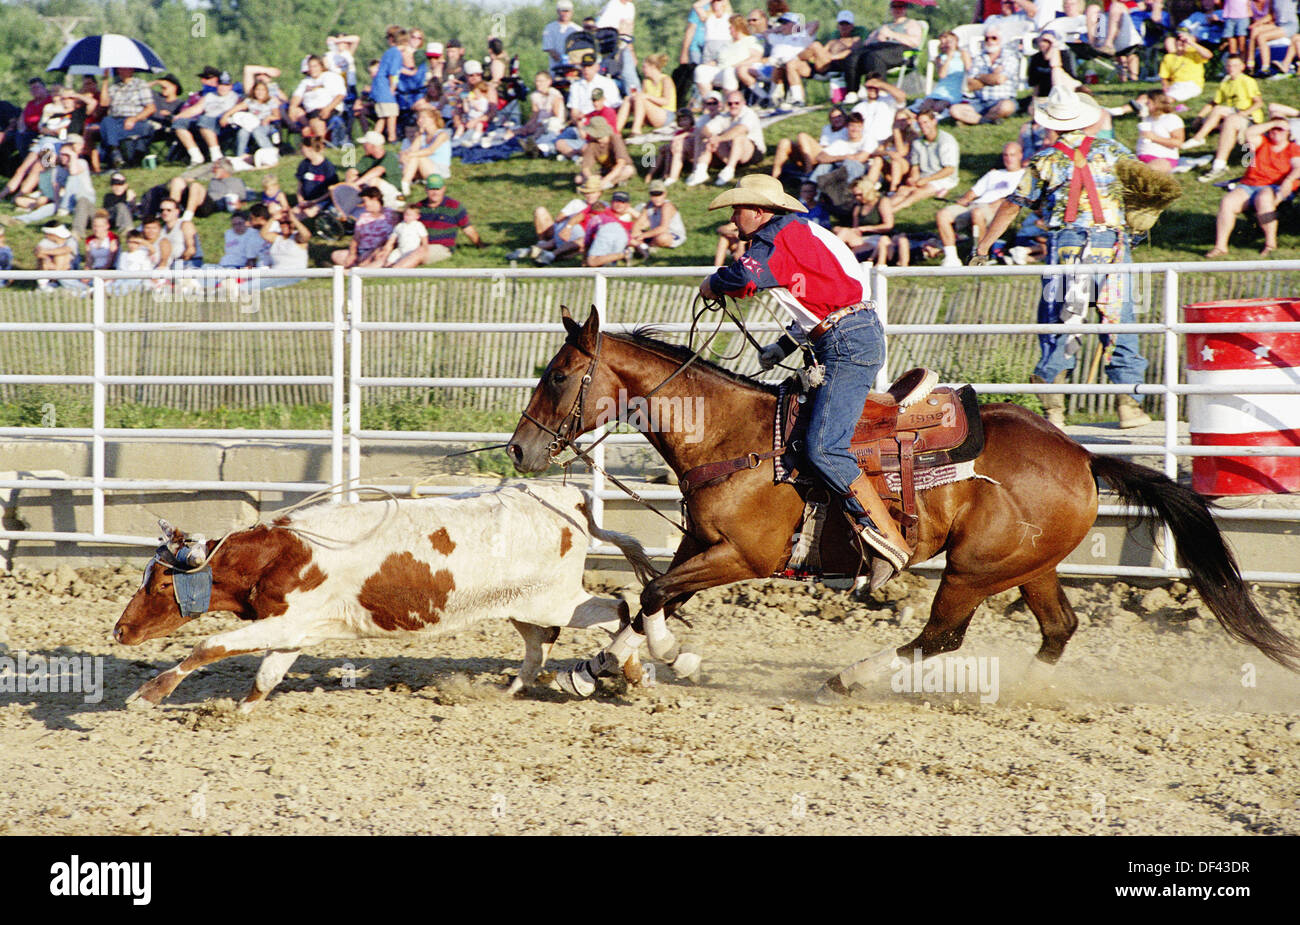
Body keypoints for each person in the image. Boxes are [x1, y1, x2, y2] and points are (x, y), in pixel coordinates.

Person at [698, 173, 911, 586]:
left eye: (737, 209)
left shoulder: (775, 239)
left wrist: (712, 283)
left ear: (758, 211)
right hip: (847, 335)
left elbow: (743, 279)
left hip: (844, 342)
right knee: (802, 435)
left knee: (824, 447)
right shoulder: (801, 233)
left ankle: (886, 540)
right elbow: (823, 297)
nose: (733, 217)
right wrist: (784, 345)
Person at [973, 87, 1151, 429]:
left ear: (1052, 124)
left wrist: (983, 246)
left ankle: (1053, 407)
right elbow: (1148, 187)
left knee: (1060, 319)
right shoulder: (1114, 151)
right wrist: (1139, 228)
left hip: (1066, 246)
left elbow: (1015, 204)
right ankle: (1129, 404)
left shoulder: (1045, 160)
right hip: (1112, 246)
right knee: (1120, 319)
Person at [1206, 118, 1300, 257]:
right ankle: (1220, 246)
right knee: (1228, 202)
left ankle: (1270, 244)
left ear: (1288, 133)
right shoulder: (1262, 142)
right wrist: (1274, 123)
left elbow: (1298, 167)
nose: (1275, 131)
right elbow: (1248, 133)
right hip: (1249, 185)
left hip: (1275, 186)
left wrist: (1289, 179)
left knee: (1264, 198)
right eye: (1273, 129)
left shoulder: (1292, 148)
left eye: (1280, 129)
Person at [936, 141, 1027, 266]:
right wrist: (965, 199)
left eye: (1012, 155)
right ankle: (951, 258)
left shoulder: (1024, 175)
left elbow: (1017, 199)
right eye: (1006, 155)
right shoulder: (994, 174)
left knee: (977, 213)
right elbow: (973, 192)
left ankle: (980, 256)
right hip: (976, 205)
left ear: (1020, 155)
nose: (1008, 158)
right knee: (943, 214)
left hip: (997, 209)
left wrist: (997, 203)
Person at [1183, 55, 1264, 180]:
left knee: (1221, 111)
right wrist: (1200, 116)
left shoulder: (1247, 81)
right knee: (1219, 111)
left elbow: (1259, 102)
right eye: (1229, 65)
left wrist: (1245, 113)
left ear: (1242, 67)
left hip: (1248, 118)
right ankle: (1215, 160)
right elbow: (1214, 102)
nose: (1232, 68)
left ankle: (1200, 139)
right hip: (1233, 115)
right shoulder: (1226, 82)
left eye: (1235, 65)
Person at [877, 109, 959, 225]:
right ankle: (879, 210)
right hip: (924, 176)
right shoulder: (918, 143)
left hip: (943, 178)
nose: (923, 126)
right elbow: (915, 166)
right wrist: (913, 178)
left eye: (926, 122)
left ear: (934, 122)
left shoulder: (945, 141)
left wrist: (926, 180)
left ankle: (891, 211)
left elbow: (949, 169)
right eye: (920, 123)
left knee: (918, 192)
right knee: (903, 190)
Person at [840, 0, 927, 104]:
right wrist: (877, 36)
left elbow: (914, 42)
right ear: (891, 9)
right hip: (878, 47)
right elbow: (867, 42)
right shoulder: (885, 25)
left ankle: (881, 91)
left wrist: (891, 34)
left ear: (905, 8)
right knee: (853, 56)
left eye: (901, 6)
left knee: (874, 57)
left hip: (901, 51)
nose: (897, 9)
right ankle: (852, 91)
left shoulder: (911, 23)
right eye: (894, 6)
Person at [685, 90, 765, 187]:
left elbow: (740, 129)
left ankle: (729, 170)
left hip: (752, 153)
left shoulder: (749, 114)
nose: (733, 106)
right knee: (705, 137)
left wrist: (718, 139)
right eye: (730, 103)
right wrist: (711, 138)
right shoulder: (724, 116)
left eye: (736, 103)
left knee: (738, 136)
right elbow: (705, 129)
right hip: (730, 152)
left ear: (743, 103)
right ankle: (700, 170)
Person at [949, 25, 1023, 125]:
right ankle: (987, 120)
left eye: (994, 38)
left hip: (1001, 100)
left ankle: (975, 120)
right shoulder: (979, 58)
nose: (990, 41)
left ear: (1000, 40)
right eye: (986, 38)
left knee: (1006, 107)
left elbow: (1000, 80)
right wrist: (993, 75)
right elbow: (970, 85)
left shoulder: (1009, 57)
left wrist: (979, 77)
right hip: (980, 102)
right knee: (954, 110)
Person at [409, 174, 484, 265]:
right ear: (426, 189)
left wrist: (481, 246)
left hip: (442, 248)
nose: (435, 192)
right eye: (432, 189)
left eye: (438, 189)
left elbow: (468, 229)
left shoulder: (454, 206)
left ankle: (394, 273)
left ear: (444, 189)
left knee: (419, 253)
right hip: (419, 246)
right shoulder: (419, 207)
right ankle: (389, 273)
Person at [97, 67, 156, 168]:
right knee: (106, 121)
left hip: (135, 119)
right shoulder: (114, 87)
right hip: (116, 120)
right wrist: (105, 81)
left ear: (131, 70)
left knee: (108, 132)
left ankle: (115, 153)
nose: (122, 71)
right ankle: (115, 152)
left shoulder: (140, 85)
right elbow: (104, 103)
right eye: (120, 69)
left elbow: (151, 108)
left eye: (125, 69)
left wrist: (134, 119)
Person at [331, 185, 398, 267]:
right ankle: (361, 266)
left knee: (378, 255)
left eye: (365, 201)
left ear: (374, 199)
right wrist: (352, 254)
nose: (363, 205)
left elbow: (395, 234)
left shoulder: (390, 214)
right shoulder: (363, 217)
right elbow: (356, 239)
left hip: (378, 250)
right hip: (361, 251)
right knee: (336, 255)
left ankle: (356, 268)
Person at [629, 179, 687, 256]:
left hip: (671, 234)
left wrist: (642, 236)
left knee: (662, 238)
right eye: (653, 194)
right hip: (655, 233)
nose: (656, 198)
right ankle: (641, 247)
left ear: (665, 194)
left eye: (659, 194)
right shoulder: (649, 205)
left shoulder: (667, 206)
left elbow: (663, 228)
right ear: (650, 195)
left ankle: (646, 246)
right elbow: (639, 222)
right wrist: (635, 232)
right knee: (631, 232)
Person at [578, 117, 635, 189]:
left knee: (628, 170)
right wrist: (590, 178)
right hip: (604, 170)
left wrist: (605, 181)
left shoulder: (615, 139)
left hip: (619, 169)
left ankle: (608, 184)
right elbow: (585, 167)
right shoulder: (592, 144)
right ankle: (605, 184)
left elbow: (621, 163)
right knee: (578, 179)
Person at [544, 1, 582, 71]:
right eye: (563, 11)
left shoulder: (578, 29)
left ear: (571, 12)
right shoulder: (549, 28)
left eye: (567, 11)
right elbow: (550, 49)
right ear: (558, 12)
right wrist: (563, 61)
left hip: (574, 68)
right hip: (556, 68)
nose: (565, 14)